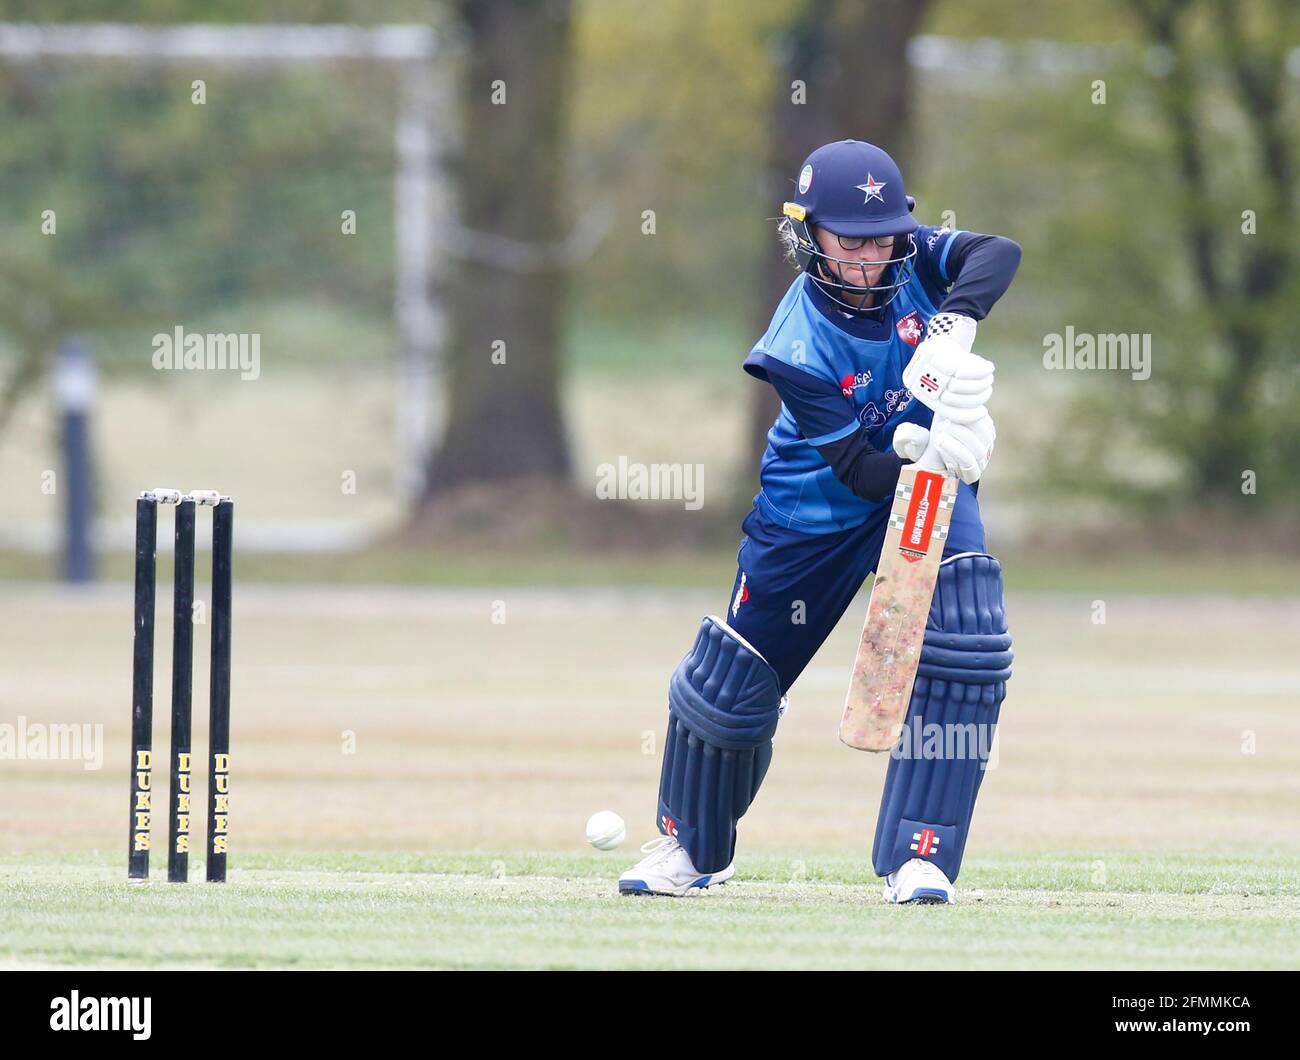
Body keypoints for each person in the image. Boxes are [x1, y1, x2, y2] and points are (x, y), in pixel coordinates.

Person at [619, 139, 1019, 904]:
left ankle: (920, 856)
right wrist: (939, 446)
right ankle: (691, 847)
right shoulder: (793, 343)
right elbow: (862, 472)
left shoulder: (918, 261)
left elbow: (999, 252)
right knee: (728, 691)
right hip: (817, 508)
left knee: (967, 639)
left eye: (885, 235)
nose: (874, 255)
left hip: (930, 490)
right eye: (852, 239)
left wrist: (957, 323)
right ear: (810, 237)